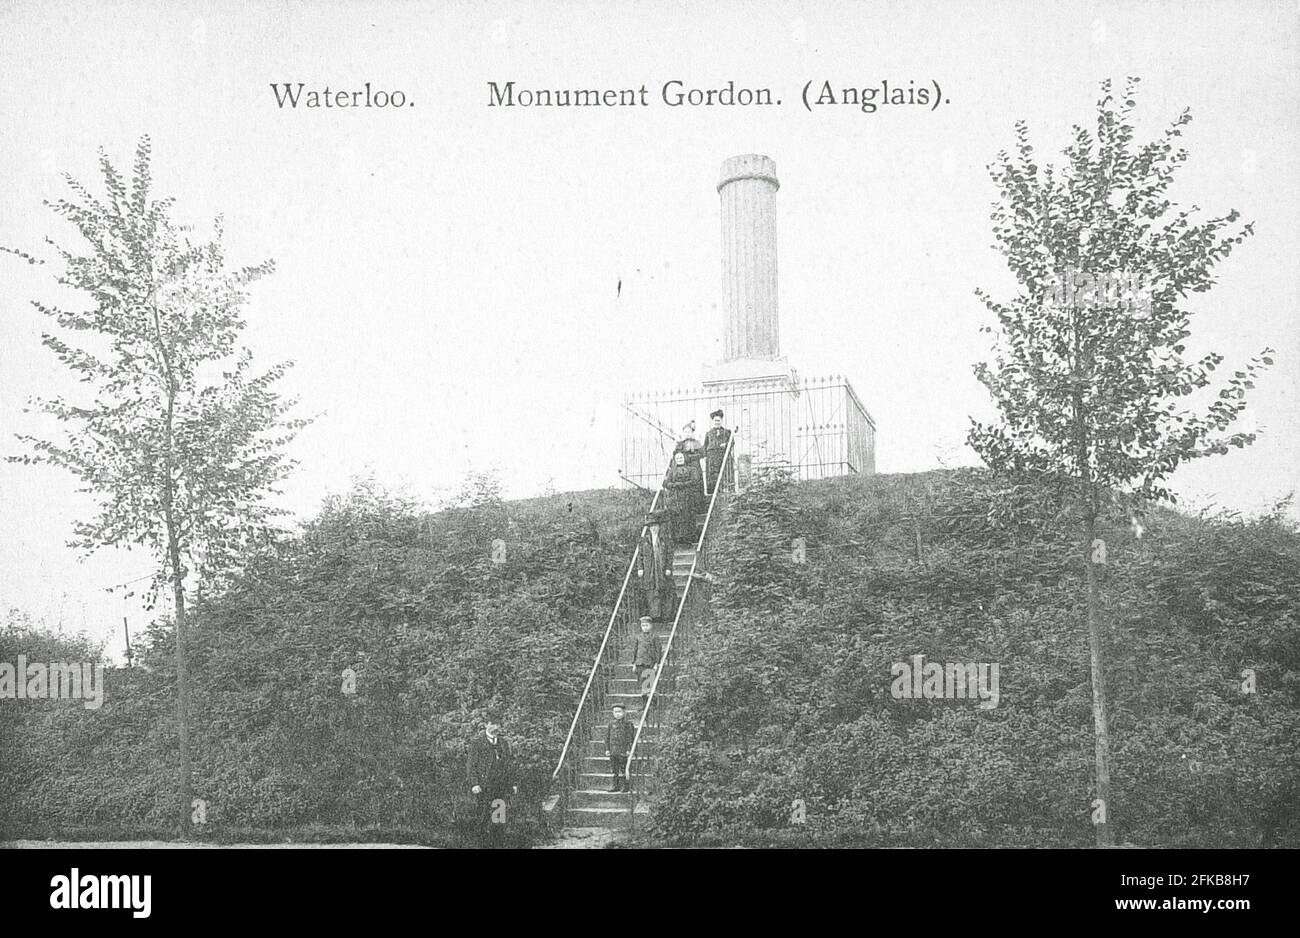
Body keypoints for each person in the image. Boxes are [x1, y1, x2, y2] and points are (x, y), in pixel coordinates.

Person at [466, 713, 518, 846]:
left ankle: (497, 844)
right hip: (484, 787)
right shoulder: (477, 743)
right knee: (483, 817)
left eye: (498, 725)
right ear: (486, 725)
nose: (496, 728)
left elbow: (508, 765)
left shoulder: (503, 743)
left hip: (500, 787)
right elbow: (471, 765)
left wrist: (512, 784)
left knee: (499, 818)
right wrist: (474, 784)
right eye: (493, 724)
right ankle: (481, 845)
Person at [636, 509, 676, 622]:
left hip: (662, 569)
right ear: (649, 528)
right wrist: (640, 568)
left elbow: (669, 555)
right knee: (651, 592)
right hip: (650, 571)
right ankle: (655, 616)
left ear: (659, 527)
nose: (654, 528)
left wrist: (668, 567)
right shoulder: (644, 541)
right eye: (652, 526)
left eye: (656, 526)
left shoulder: (664, 540)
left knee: (665, 590)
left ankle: (666, 616)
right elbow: (640, 556)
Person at [663, 450, 704, 544]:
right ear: (675, 460)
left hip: (689, 496)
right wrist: (676, 485)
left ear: (684, 458)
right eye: (677, 458)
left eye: (681, 458)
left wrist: (681, 484)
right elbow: (666, 483)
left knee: (689, 516)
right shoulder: (671, 472)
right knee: (678, 518)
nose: (679, 460)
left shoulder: (692, 469)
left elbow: (695, 481)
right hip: (676, 498)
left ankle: (690, 538)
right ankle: (679, 539)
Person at [630, 616, 662, 709]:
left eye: (646, 625)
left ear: (651, 625)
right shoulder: (638, 637)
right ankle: (644, 704)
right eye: (643, 625)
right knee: (642, 684)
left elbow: (658, 650)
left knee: (649, 683)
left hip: (650, 663)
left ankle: (653, 703)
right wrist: (634, 663)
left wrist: (657, 663)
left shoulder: (654, 636)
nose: (645, 627)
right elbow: (635, 650)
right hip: (640, 663)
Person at [605, 703, 636, 792]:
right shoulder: (611, 724)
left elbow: (630, 738)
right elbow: (607, 737)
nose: (617, 714)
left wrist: (629, 749)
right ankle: (615, 786)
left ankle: (626, 786)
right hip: (613, 750)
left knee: (624, 768)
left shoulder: (628, 724)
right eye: (615, 712)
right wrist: (607, 749)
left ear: (624, 712)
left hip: (623, 750)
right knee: (614, 769)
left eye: (619, 712)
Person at [703, 409, 733, 495]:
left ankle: (727, 491)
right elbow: (705, 446)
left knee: (725, 474)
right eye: (715, 420)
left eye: (718, 420)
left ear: (721, 421)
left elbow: (732, 442)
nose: (717, 422)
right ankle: (713, 493)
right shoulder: (708, 433)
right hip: (712, 458)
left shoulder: (727, 432)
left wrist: (726, 444)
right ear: (712, 421)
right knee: (712, 476)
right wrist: (705, 456)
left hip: (723, 457)